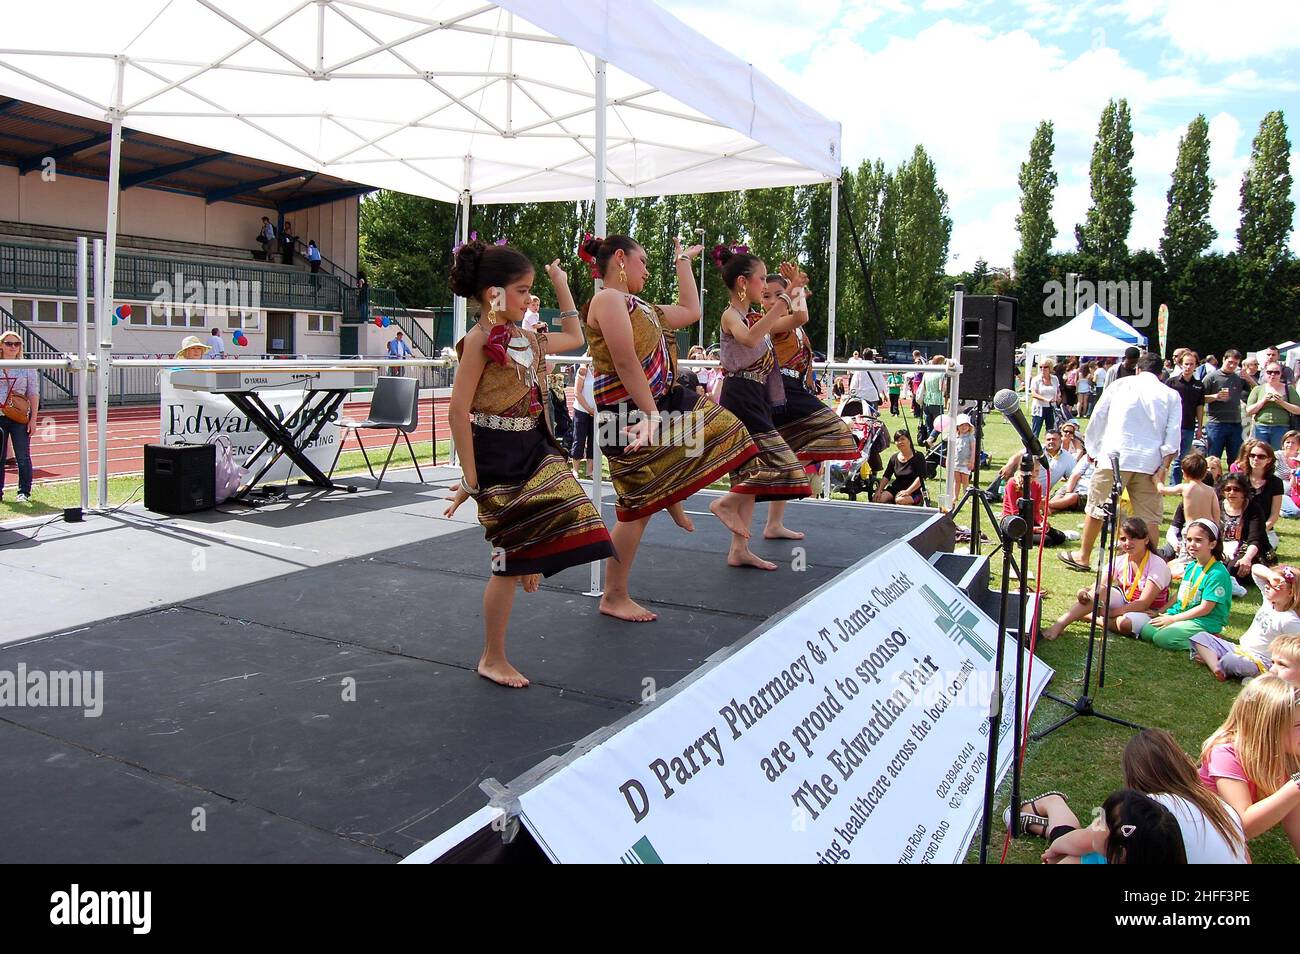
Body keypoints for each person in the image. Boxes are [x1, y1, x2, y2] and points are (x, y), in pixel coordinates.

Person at [442, 241, 614, 687]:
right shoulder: (479, 341)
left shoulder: (530, 338)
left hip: (535, 447)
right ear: (492, 294)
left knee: (575, 504)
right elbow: (458, 411)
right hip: (496, 455)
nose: (527, 298)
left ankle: (532, 554)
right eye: (522, 290)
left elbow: (576, 338)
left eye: (530, 290)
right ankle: (491, 656)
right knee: (504, 564)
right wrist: (471, 478)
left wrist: (561, 286)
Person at [583, 234, 757, 622]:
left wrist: (683, 263)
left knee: (727, 428)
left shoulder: (643, 307)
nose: (647, 267)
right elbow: (627, 362)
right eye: (642, 260)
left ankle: (673, 494)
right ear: (621, 260)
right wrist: (649, 416)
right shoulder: (607, 300)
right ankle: (613, 595)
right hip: (626, 414)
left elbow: (692, 310)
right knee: (634, 510)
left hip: (659, 403)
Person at [713, 248, 812, 565]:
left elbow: (800, 318)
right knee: (779, 463)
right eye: (760, 279)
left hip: (754, 395)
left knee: (751, 471)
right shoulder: (732, 315)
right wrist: (783, 299)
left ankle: (738, 550)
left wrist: (795, 290)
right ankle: (726, 503)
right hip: (740, 394)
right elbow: (750, 339)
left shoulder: (754, 316)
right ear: (743, 283)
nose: (763, 286)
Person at [1060, 352, 1179, 573]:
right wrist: (1163, 466)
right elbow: (1173, 437)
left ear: (1137, 369)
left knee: (1097, 507)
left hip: (1114, 456)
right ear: (1160, 374)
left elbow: (1098, 417)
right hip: (1150, 462)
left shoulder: (1119, 385)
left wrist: (1093, 450)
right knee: (1149, 516)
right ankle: (1150, 567)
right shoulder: (1171, 395)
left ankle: (1083, 556)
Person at [764, 271, 856, 539]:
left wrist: (798, 287)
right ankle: (800, 467)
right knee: (836, 430)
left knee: (784, 455)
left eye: (774, 296)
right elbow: (801, 313)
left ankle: (774, 522)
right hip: (780, 391)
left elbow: (801, 309)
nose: (769, 302)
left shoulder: (795, 326)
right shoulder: (768, 323)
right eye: (765, 296)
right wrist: (795, 289)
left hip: (793, 390)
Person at [1199, 674, 1300, 854]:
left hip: (1227, 833)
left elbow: (1296, 823)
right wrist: (1296, 785)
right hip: (1198, 827)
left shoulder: (1290, 755)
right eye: (1299, 725)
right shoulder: (1226, 753)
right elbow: (1243, 826)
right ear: (1270, 728)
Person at [1044, 517, 1170, 640]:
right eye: (1123, 539)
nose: (1127, 543)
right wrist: (1085, 592)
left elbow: (1143, 603)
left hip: (1148, 611)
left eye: (1134, 538)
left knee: (1125, 624)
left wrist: (1111, 613)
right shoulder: (1120, 560)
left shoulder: (1157, 564)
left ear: (1146, 540)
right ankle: (1059, 625)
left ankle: (1093, 616)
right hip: (1125, 600)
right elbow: (1099, 586)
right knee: (1099, 591)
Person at [1016, 789, 1186, 864]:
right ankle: (1052, 806)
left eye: (1101, 821)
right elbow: (1069, 842)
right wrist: (1054, 851)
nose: (1095, 822)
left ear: (1120, 853)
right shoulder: (1100, 845)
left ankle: (1053, 805)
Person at [1192, 564, 1300, 681]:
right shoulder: (1268, 601)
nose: (1267, 586)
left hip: (1260, 661)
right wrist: (1270, 575)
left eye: (1273, 585)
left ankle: (1216, 660)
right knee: (1200, 636)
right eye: (1267, 583)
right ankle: (1216, 667)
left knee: (1231, 661)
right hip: (1239, 649)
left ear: (1290, 593)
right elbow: (1255, 569)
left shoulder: (1289, 620)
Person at [1139, 518, 1232, 652]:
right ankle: (1193, 635)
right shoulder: (1192, 566)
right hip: (1182, 612)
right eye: (1189, 540)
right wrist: (1160, 612)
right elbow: (1181, 594)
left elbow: (1205, 608)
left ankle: (1211, 643)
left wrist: (1173, 620)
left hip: (1205, 620)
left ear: (1212, 544)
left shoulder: (1217, 573)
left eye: (1198, 540)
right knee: (1147, 632)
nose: (1192, 544)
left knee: (1163, 639)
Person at [1157, 452, 1220, 561]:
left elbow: (1162, 490)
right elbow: (1216, 512)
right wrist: (1216, 528)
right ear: (1205, 473)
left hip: (1192, 528)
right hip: (1209, 527)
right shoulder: (1211, 490)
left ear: (1184, 473)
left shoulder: (1185, 488)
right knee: (1207, 556)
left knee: (1186, 559)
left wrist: (1156, 480)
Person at [1216, 472, 1272, 592]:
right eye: (1228, 489)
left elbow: (1255, 540)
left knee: (1232, 568)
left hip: (1250, 552)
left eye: (1236, 489)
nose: (1231, 492)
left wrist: (1247, 558)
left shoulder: (1254, 509)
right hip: (1223, 548)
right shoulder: (1217, 506)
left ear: (1244, 492)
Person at [0, 330, 38, 503]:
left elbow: (33, 393)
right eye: (9, 343)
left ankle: (24, 492)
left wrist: (34, 419)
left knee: (22, 455)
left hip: (19, 416)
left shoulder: (26, 366)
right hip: (0, 415)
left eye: (17, 344)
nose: (13, 347)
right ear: (1, 345)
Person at [1234, 439, 1285, 546]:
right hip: (1239, 529)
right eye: (1252, 455)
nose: (1256, 459)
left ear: (1269, 460)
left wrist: (1258, 532)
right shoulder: (1239, 480)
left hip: (1265, 530)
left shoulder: (1276, 483)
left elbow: (1274, 516)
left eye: (1261, 456)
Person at [1166, 349, 1205, 484]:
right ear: (1181, 364)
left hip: (1188, 425)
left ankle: (1175, 484)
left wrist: (1199, 427)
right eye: (1186, 364)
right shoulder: (1171, 382)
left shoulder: (1199, 385)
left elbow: (1200, 407)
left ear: (1195, 366)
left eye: (1191, 364)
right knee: (1167, 455)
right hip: (1171, 425)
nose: (1188, 367)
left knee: (1181, 458)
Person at [1203, 349, 1247, 463]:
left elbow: (1256, 390)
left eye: (1235, 363)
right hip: (1216, 423)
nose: (1232, 366)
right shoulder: (1211, 377)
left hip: (1235, 423)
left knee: (1236, 460)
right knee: (1213, 459)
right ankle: (1211, 480)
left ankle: (1233, 480)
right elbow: (1199, 398)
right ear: (1223, 359)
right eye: (1230, 362)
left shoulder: (1238, 378)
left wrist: (1249, 378)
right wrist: (1216, 397)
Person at [1246, 361, 1300, 448]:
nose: (1272, 375)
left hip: (1281, 428)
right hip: (1260, 427)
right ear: (1265, 373)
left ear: (1281, 374)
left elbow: (1298, 410)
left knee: (1278, 455)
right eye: (1269, 372)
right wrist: (1263, 401)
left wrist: (1282, 403)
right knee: (1260, 453)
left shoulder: (1288, 388)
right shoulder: (1258, 389)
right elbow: (1249, 411)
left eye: (1276, 372)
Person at [873, 429, 924, 506]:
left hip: (913, 491)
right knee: (878, 499)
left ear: (909, 440)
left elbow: (921, 478)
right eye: (897, 440)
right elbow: (886, 476)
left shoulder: (918, 456)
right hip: (895, 489)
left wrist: (908, 491)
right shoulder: (894, 457)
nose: (900, 442)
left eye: (902, 439)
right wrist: (879, 490)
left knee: (900, 500)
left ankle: (917, 500)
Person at [570, 359, 596, 479]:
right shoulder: (582, 370)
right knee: (579, 440)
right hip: (581, 410)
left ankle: (589, 471)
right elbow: (577, 392)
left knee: (593, 442)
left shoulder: (601, 370)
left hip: (596, 413)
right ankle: (575, 469)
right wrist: (589, 409)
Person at [1030, 358, 1061, 438]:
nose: (1042, 369)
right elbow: (1033, 394)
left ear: (1050, 368)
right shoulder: (1036, 379)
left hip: (1051, 408)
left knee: (1051, 431)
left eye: (1045, 367)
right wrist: (1046, 399)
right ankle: (1032, 449)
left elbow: (1057, 391)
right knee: (1035, 431)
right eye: (1041, 367)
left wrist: (1058, 397)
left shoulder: (1055, 379)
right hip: (1039, 408)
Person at [919, 356, 946, 441]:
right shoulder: (941, 373)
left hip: (927, 400)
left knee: (929, 425)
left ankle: (929, 444)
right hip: (937, 400)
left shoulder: (927, 373)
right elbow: (942, 388)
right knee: (940, 423)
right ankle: (930, 439)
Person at [952, 413, 975, 502]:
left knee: (965, 481)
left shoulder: (970, 437)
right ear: (957, 426)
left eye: (966, 425)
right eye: (961, 425)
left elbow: (973, 450)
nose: (964, 427)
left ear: (969, 426)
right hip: (956, 462)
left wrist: (971, 461)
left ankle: (966, 497)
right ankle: (955, 496)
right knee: (956, 481)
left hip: (966, 463)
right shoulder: (956, 437)